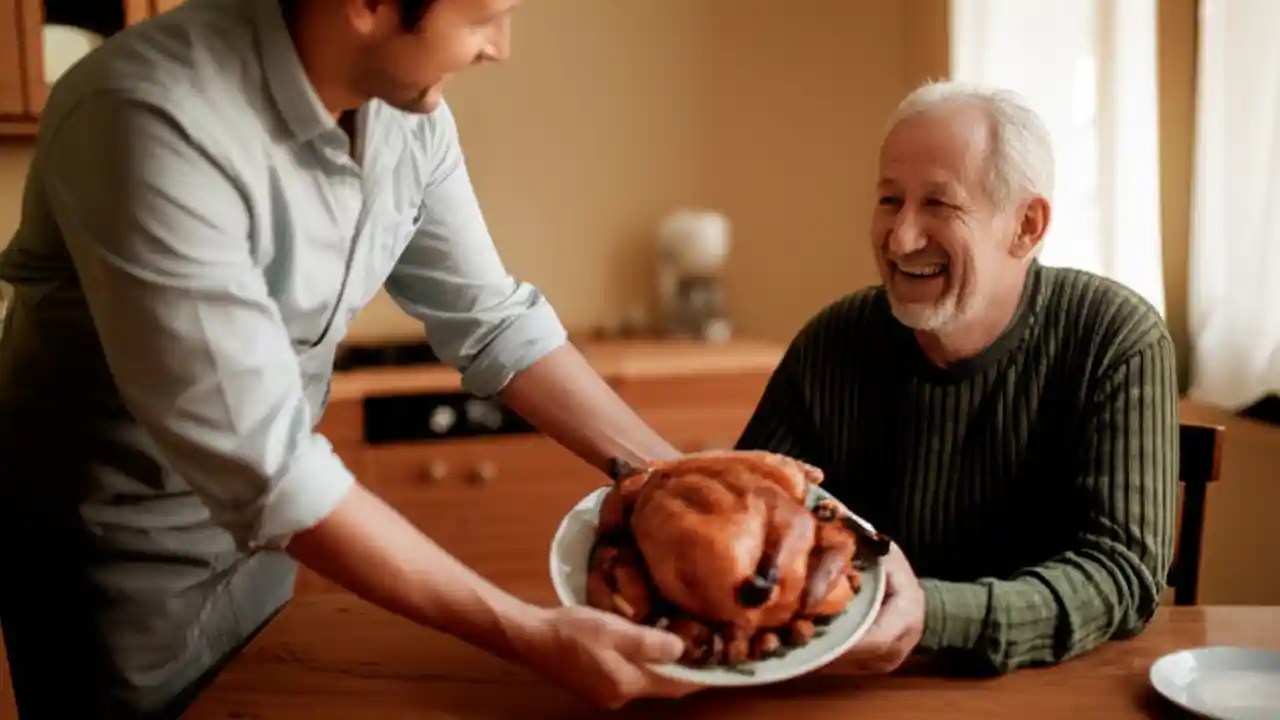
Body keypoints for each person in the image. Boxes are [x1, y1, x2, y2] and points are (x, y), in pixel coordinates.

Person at [0, 0, 699, 716]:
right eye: (485, 17)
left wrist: (684, 486)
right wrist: (533, 635)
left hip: (273, 558)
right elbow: (269, 469)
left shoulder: (409, 119)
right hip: (121, 576)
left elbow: (493, 323)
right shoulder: (146, 117)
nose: (501, 48)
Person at [735, 81, 1179, 676]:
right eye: (890, 201)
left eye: (939, 205)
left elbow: (1121, 571)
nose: (901, 238)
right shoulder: (833, 340)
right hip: (850, 687)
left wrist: (936, 613)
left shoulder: (1115, 338)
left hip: (1052, 691)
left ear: (1026, 226)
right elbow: (751, 518)